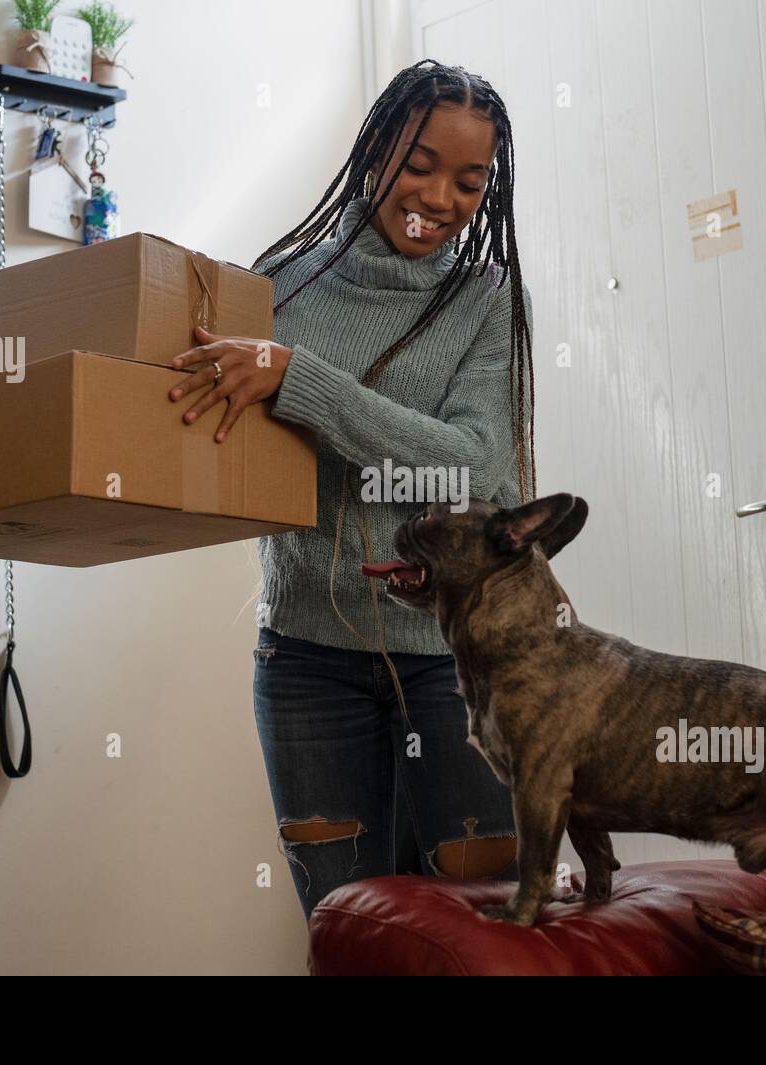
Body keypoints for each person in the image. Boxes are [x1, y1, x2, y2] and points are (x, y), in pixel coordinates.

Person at [166, 59, 536, 922]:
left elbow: (475, 474)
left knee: (489, 931)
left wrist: (303, 383)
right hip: (305, 662)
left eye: (470, 181)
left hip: (456, 661)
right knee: (350, 929)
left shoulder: (485, 300)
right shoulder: (281, 285)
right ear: (374, 151)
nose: (441, 196)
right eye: (420, 164)